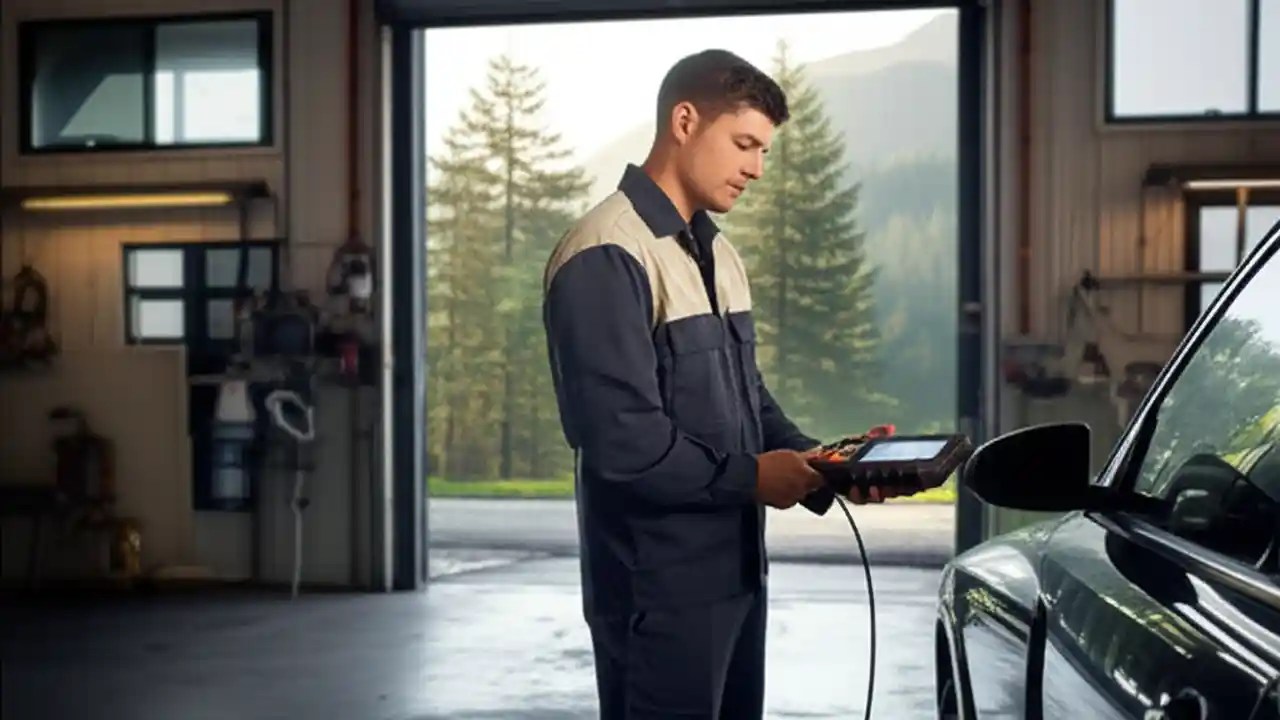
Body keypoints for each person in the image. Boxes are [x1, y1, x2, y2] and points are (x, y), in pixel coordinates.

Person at [542, 49, 901, 719]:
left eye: (764, 150)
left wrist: (827, 464)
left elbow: (747, 400)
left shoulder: (720, 255)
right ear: (684, 121)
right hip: (655, 594)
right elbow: (625, 447)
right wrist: (754, 479)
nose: (757, 169)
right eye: (744, 144)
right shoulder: (605, 255)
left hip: (736, 579)